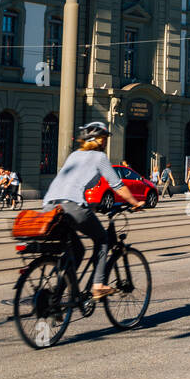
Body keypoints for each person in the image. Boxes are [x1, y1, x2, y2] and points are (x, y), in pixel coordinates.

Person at [41, 122, 140, 298]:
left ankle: (56, 298)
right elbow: (117, 186)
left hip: (50, 206)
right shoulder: (99, 157)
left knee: (77, 250)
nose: (106, 142)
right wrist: (135, 202)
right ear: (100, 140)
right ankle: (98, 285)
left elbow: (72, 184)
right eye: (105, 139)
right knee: (103, 240)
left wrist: (90, 206)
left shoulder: (73, 156)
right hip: (71, 206)